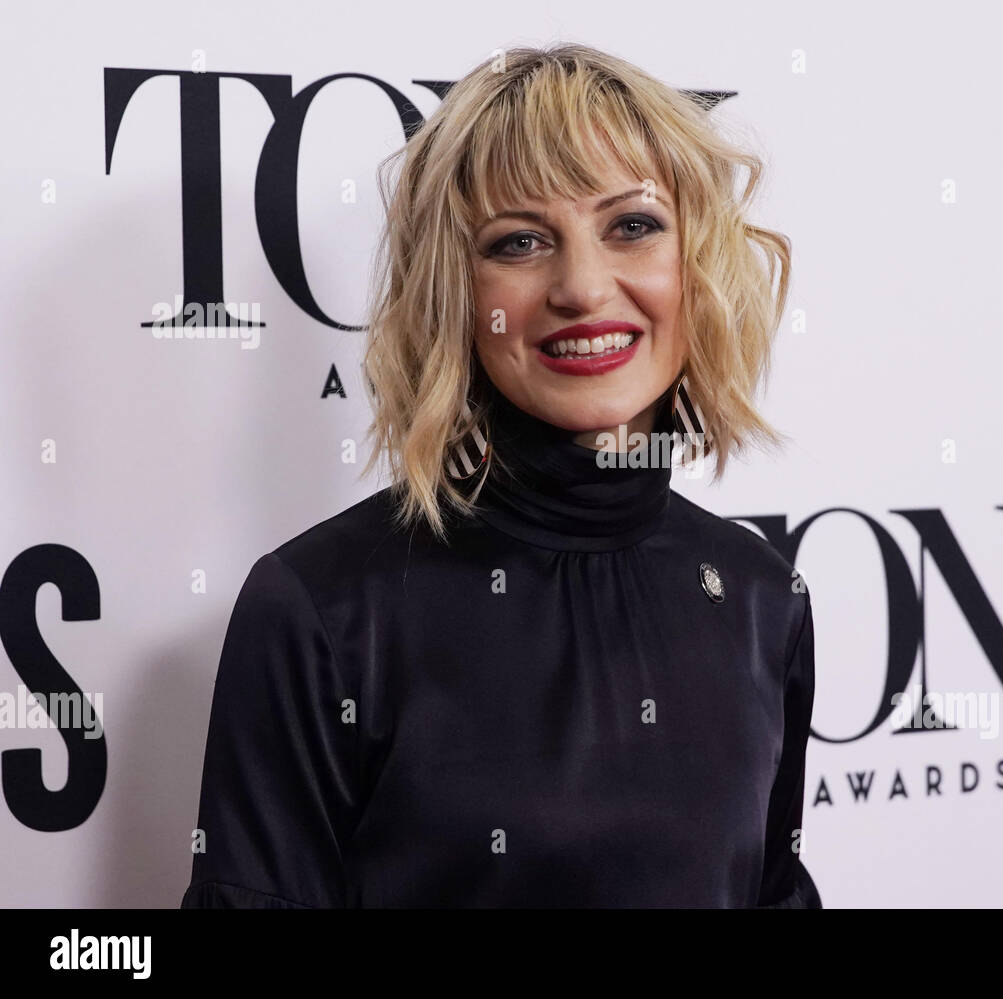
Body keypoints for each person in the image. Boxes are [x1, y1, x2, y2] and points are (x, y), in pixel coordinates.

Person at [180, 42, 821, 908]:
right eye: (519, 242)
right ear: (456, 293)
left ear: (696, 261)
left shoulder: (758, 596)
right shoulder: (322, 611)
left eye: (632, 225)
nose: (583, 288)